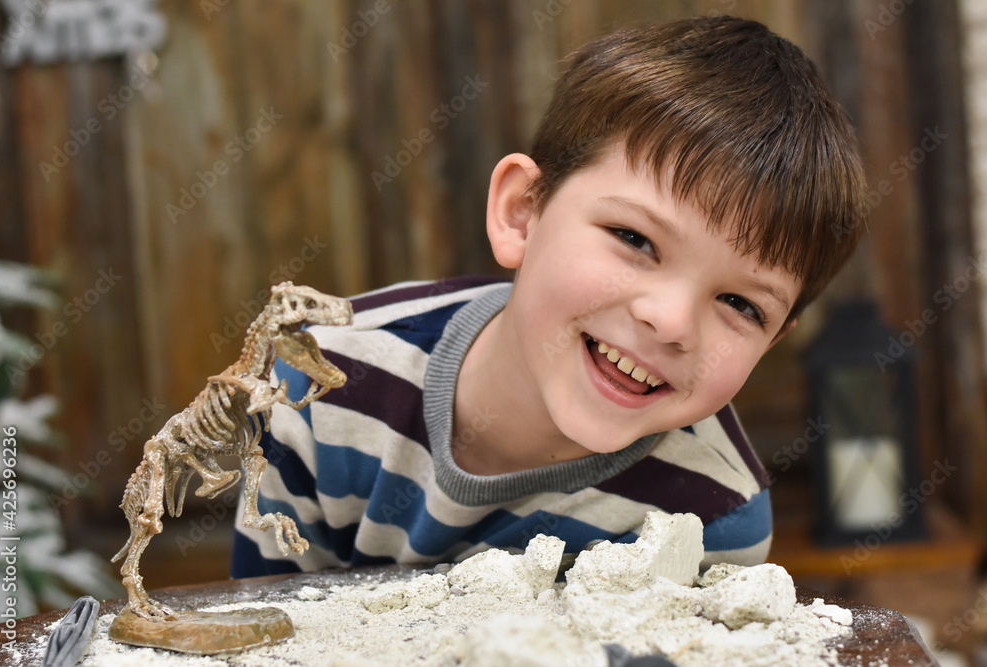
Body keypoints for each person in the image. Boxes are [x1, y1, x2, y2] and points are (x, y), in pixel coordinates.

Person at [231, 15, 867, 578]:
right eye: (634, 239)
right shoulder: (322, 383)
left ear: (773, 342)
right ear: (521, 212)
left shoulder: (714, 516)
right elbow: (262, 636)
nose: (672, 321)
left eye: (741, 306)